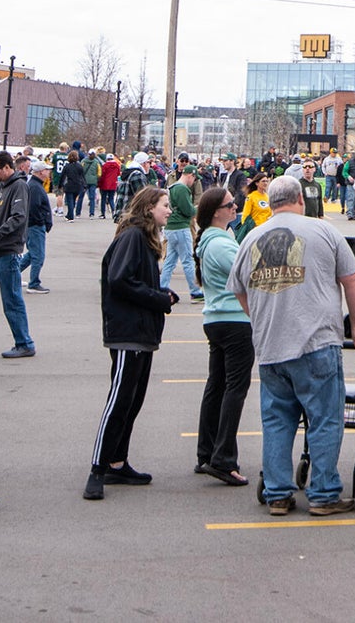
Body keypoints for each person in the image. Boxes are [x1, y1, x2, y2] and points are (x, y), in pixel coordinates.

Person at [232, 174, 355, 516]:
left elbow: (238, 288)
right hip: (316, 343)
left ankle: (278, 493)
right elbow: (352, 279)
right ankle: (324, 494)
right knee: (325, 419)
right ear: (299, 199)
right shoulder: (324, 230)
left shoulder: (252, 237)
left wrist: (261, 319)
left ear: (272, 201)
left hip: (271, 347)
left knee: (278, 420)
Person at [84, 186, 177, 501]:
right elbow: (120, 280)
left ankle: (116, 461)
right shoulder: (133, 237)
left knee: (132, 401)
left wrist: (160, 297)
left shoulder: (146, 239)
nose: (169, 210)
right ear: (149, 207)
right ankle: (97, 469)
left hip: (142, 332)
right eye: (166, 205)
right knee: (119, 400)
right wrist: (158, 298)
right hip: (128, 331)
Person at [192, 187, 252, 486]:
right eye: (231, 205)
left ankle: (207, 452)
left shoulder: (213, 240)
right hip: (234, 320)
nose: (236, 208)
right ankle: (223, 458)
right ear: (217, 211)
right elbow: (251, 274)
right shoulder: (220, 245)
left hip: (218, 318)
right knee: (234, 389)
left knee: (217, 386)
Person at [0, 153, 35, 358]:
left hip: (7, 251)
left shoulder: (18, 186)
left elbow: (19, 217)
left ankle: (24, 343)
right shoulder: (6, 186)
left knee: (12, 300)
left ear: (7, 167)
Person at [160, 167, 201, 301]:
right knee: (188, 260)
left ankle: (162, 287)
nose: (194, 182)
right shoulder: (182, 189)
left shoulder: (172, 187)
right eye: (194, 178)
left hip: (171, 227)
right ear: (190, 175)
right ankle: (195, 291)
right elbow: (187, 210)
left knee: (170, 261)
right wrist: (196, 209)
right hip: (180, 227)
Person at [24, 163, 53, 293]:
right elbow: (34, 207)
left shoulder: (35, 185)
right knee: (38, 256)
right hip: (35, 226)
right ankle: (34, 283)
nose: (48, 172)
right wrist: (41, 221)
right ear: (41, 172)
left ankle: (10, 274)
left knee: (32, 255)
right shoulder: (35, 187)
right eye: (47, 170)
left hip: (34, 225)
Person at [62, 152, 89, 222]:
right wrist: (84, 185)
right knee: (73, 200)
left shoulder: (67, 166)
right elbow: (82, 176)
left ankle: (71, 216)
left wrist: (60, 185)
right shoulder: (80, 166)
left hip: (69, 185)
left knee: (70, 201)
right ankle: (69, 214)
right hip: (78, 185)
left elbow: (63, 177)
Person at [96, 154, 120, 219]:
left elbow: (102, 175)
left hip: (105, 184)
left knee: (103, 199)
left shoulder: (105, 165)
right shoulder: (117, 165)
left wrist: (99, 184)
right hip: (113, 184)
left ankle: (103, 214)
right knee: (111, 199)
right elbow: (118, 173)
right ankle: (114, 212)